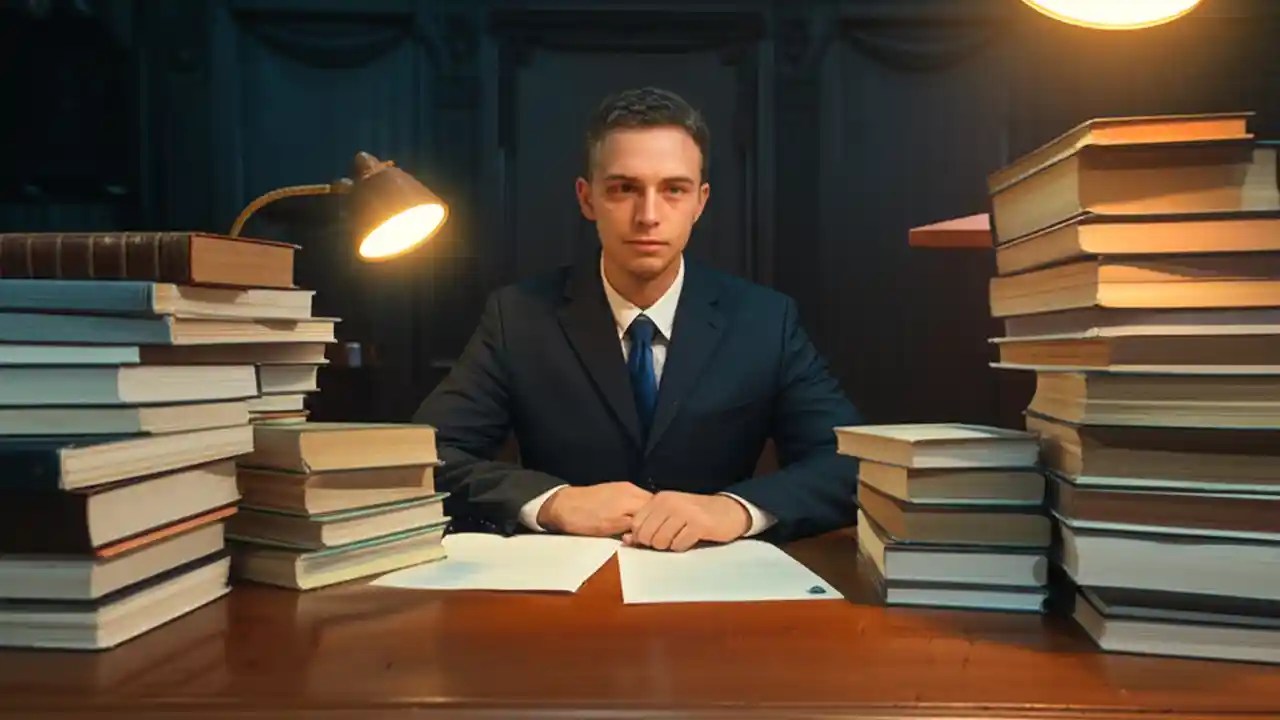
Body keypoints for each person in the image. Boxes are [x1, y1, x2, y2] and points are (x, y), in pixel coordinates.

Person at [413, 86, 862, 551]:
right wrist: (551, 502)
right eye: (624, 189)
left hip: (715, 589)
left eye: (673, 190)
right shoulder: (518, 317)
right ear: (587, 199)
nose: (648, 216)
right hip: (562, 595)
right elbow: (425, 458)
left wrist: (735, 509)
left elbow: (851, 464)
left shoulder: (766, 321)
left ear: (700, 202)